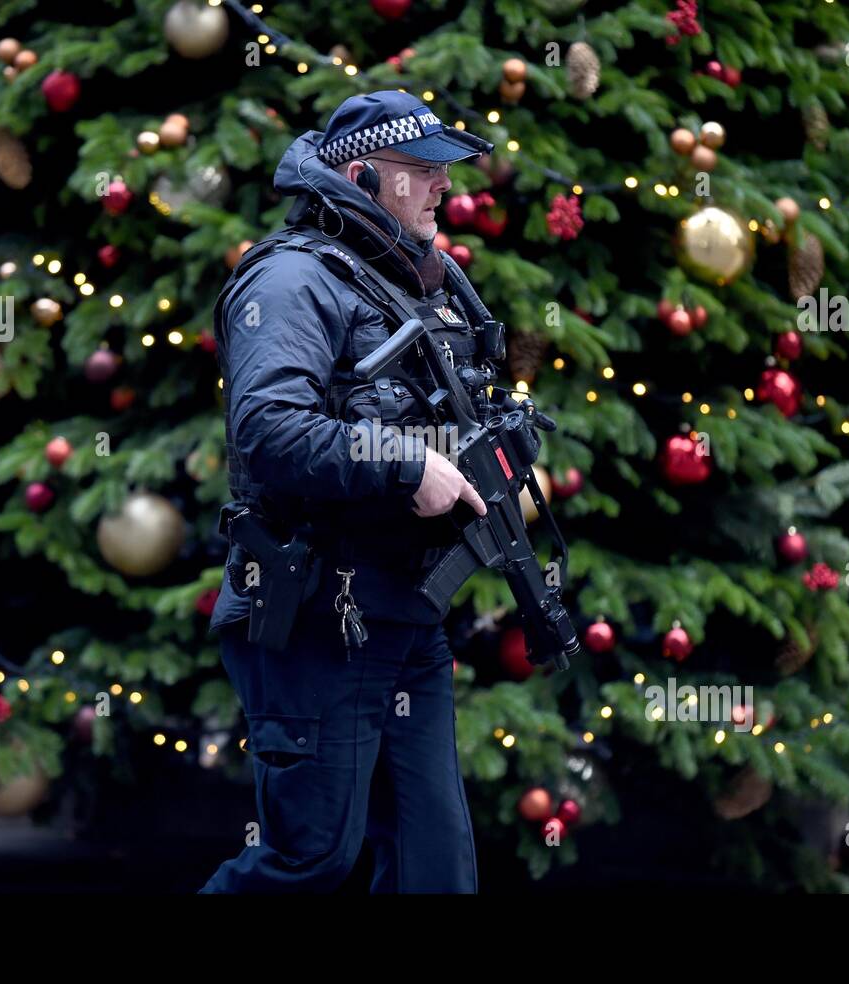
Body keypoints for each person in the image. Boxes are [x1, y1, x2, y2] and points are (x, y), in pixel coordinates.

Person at [199, 91, 501, 893]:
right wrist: (406, 467)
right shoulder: (295, 277)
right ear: (363, 177)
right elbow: (269, 430)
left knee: (432, 867)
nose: (445, 187)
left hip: (404, 610)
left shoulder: (406, 280)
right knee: (309, 859)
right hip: (319, 618)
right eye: (423, 170)